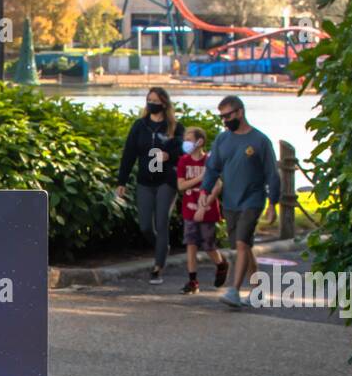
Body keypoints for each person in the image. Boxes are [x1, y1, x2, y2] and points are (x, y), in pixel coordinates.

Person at [196, 95, 281, 308]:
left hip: (253, 199)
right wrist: (205, 190)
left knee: (242, 244)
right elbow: (213, 167)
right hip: (231, 202)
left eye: (228, 115)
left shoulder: (260, 141)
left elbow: (272, 174)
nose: (225, 120)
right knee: (244, 246)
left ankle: (233, 290)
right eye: (222, 117)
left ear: (240, 112)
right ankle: (258, 289)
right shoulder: (223, 140)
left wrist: (273, 203)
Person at [116, 87, 183, 284]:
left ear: (164, 103)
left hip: (166, 181)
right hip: (145, 181)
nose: (151, 103)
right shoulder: (140, 126)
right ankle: (162, 247)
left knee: (162, 221)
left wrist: (169, 155)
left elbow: (185, 149)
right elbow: (129, 154)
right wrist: (122, 181)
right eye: (149, 100)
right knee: (145, 225)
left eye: (155, 100)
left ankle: (157, 267)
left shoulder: (174, 127)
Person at [176, 126, 229, 294]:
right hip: (189, 208)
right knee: (190, 244)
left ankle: (221, 264)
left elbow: (217, 185)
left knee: (208, 245)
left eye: (189, 139)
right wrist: (200, 178)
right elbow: (181, 185)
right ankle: (192, 281)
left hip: (207, 210)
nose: (186, 143)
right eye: (185, 139)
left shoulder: (209, 161)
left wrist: (204, 206)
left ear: (200, 141)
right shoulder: (184, 161)